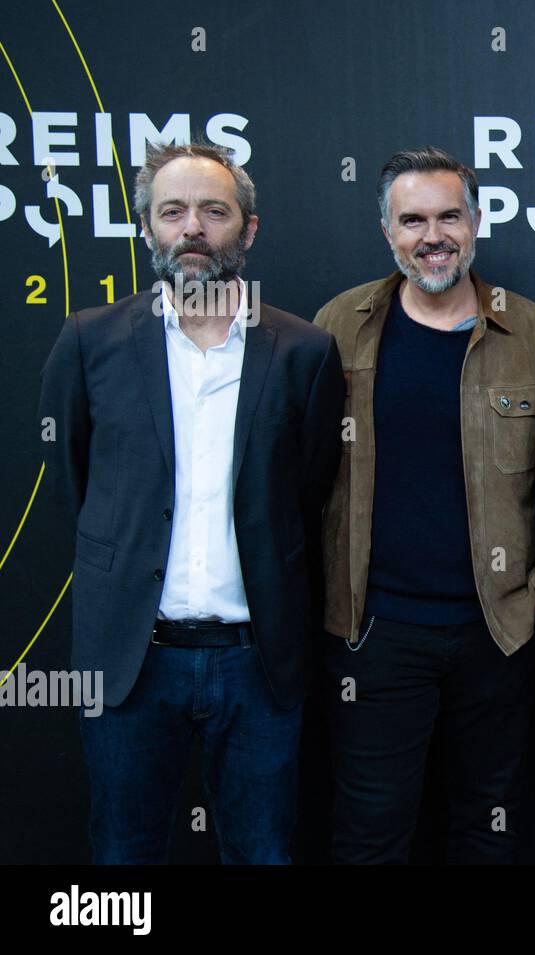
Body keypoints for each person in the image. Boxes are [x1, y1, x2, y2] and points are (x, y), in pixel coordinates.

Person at [38, 140, 346, 863]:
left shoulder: (304, 351)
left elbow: (307, 492)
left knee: (263, 853)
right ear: (146, 227)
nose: (193, 228)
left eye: (214, 210)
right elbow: (75, 486)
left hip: (257, 662)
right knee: (123, 855)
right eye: (172, 211)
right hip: (132, 663)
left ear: (249, 227)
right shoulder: (90, 341)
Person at [313, 146, 535, 864]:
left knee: (488, 834)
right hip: (375, 633)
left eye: (449, 215)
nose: (433, 235)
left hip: (499, 633)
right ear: (388, 233)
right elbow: (297, 476)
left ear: (477, 221)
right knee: (370, 837)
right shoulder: (339, 326)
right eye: (413, 219)